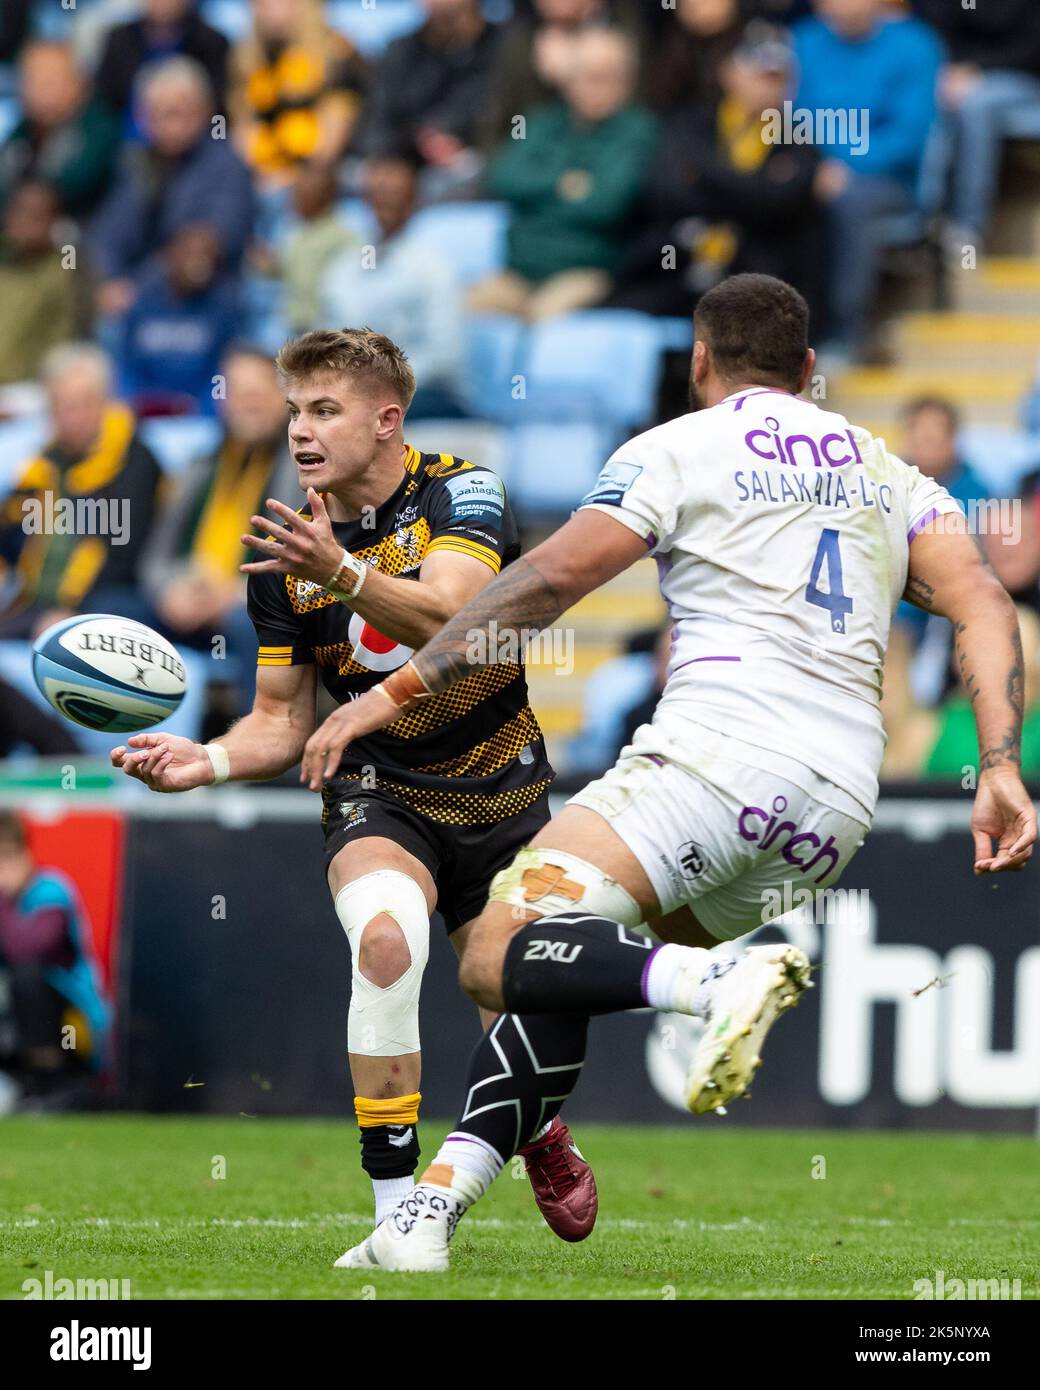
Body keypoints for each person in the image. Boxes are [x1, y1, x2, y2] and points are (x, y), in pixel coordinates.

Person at [302, 274, 1037, 1272]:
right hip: (832, 811)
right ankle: (426, 1215)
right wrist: (997, 762)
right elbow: (984, 605)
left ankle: (711, 980)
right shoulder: (889, 475)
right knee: (568, 964)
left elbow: (550, 580)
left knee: (495, 950)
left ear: (698, 364)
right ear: (810, 371)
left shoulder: (678, 446)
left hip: (715, 761)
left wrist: (391, 693)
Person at [111, 328, 598, 1244]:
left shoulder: (464, 490)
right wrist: (205, 760)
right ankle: (395, 1216)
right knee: (385, 942)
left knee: (512, 1001)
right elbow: (281, 722)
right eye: (294, 411)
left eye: (324, 410)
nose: (300, 431)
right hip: (381, 792)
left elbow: (458, 617)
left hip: (501, 789)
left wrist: (336, 569)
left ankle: (538, 1128)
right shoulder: (286, 543)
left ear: (386, 421)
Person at [141, 344, 298, 712]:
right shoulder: (200, 467)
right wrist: (169, 591)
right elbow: (155, 558)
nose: (249, 404)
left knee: (255, 623)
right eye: (238, 393)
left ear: (283, 402)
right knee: (117, 612)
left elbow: (306, 572)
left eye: (259, 393)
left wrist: (233, 594)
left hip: (249, 605)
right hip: (186, 602)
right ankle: (133, 749)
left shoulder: (301, 471)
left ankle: (263, 758)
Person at [470, 27, 659, 321]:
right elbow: (501, 177)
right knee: (457, 316)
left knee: (546, 329)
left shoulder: (638, 130)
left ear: (627, 81)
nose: (596, 86)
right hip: (516, 273)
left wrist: (537, 190)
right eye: (587, 75)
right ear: (568, 80)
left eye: (607, 77)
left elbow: (605, 204)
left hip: (587, 274)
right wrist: (565, 182)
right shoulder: (540, 122)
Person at [793, 0, 944, 360]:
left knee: (850, 202)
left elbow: (911, 133)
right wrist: (815, 168)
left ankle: (846, 330)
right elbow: (790, 114)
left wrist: (845, 166)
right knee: (770, 193)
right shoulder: (802, 41)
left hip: (888, 181)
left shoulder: (916, 44)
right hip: (813, 170)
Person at [0, 343, 162, 638]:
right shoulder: (45, 463)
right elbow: (7, 533)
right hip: (35, 604)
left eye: (82, 403)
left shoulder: (136, 461)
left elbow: (124, 557)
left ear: (106, 401)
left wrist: (72, 614)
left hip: (106, 604)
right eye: (61, 406)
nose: (71, 416)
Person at [89, 57, 256, 319]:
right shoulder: (131, 162)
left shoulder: (228, 168)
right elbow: (108, 234)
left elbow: (206, 247)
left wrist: (135, 289)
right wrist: (108, 281)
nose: (168, 125)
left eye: (178, 112)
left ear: (205, 111)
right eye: (157, 113)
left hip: (205, 304)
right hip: (128, 303)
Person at [321, 149, 466, 416]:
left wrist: (381, 381)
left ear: (414, 201)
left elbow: (444, 356)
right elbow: (330, 335)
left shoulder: (433, 266)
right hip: (358, 389)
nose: (386, 204)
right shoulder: (344, 266)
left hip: (424, 391)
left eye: (396, 195)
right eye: (378, 195)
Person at [0, 812, 112, 1109]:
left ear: (23, 855)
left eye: (5, 858)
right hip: (14, 1027)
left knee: (27, 979)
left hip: (75, 1027)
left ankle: (49, 1079)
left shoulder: (51, 891)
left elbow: (26, 950)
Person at [229, 0, 368, 184]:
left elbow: (333, 136)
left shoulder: (337, 53)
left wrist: (291, 178)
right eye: (262, 3)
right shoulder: (246, 59)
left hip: (321, 177)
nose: (272, 9)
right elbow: (242, 126)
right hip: (261, 177)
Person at [0, 39, 121, 218]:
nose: (38, 91)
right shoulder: (23, 129)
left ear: (79, 83)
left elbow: (70, 186)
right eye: (31, 80)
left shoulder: (101, 129)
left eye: (49, 82)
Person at [94, 0, 231, 135]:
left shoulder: (213, 43)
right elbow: (104, 106)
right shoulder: (118, 40)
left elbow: (219, 110)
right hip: (126, 143)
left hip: (197, 144)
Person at [0, 180, 89, 387]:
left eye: (36, 216)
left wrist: (64, 239)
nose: (24, 221)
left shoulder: (65, 267)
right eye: (18, 211)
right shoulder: (5, 264)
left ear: (54, 222)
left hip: (34, 389)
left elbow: (75, 257)